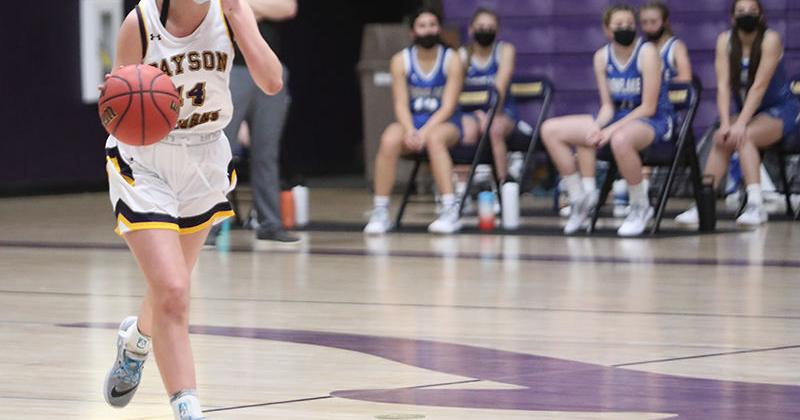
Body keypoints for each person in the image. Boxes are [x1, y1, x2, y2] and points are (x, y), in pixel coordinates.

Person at [101, 0, 283, 418]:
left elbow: (272, 82)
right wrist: (119, 99)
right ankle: (188, 409)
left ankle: (136, 341)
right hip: (146, 161)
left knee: (171, 289)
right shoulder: (141, 22)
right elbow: (117, 109)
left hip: (205, 157)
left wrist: (241, 17)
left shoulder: (232, 13)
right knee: (174, 290)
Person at [540, 3, 674, 236]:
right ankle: (579, 198)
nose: (626, 29)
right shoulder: (601, 56)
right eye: (619, 25)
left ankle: (640, 206)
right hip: (619, 117)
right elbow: (607, 106)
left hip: (654, 120)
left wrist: (610, 131)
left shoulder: (647, 52)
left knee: (620, 139)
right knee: (550, 129)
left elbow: (648, 107)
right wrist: (598, 126)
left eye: (630, 24)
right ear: (607, 30)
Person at [675, 0, 800, 227]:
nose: (746, 15)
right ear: (732, 17)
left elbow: (759, 87)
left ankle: (756, 204)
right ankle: (704, 202)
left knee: (745, 136)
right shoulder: (725, 41)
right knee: (721, 137)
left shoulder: (770, 39)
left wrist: (740, 124)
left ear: (761, 16)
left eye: (752, 11)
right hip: (749, 112)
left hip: (781, 109)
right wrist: (725, 123)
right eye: (741, 11)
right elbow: (723, 86)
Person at [363, 6, 465, 234]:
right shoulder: (400, 60)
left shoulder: (452, 59)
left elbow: (448, 106)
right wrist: (410, 130)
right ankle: (381, 211)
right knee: (389, 138)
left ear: (439, 28)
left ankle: (450, 210)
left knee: (435, 139)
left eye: (432, 25)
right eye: (422, 25)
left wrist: (425, 132)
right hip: (413, 123)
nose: (428, 30)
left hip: (445, 124)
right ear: (412, 32)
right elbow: (400, 103)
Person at [207, 0, 298, 245]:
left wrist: (242, 7)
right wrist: (250, 10)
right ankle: (208, 224)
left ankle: (269, 223)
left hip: (268, 70)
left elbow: (287, 8)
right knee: (218, 150)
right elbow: (214, 10)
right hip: (228, 70)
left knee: (266, 152)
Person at [609, 0, 692, 217]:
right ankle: (634, 194)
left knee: (628, 136)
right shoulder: (637, 49)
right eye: (644, 22)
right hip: (639, 112)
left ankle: (638, 199)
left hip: (664, 110)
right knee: (624, 134)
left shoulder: (674, 46)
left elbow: (686, 79)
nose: (648, 26)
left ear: (664, 22)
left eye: (653, 21)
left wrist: (658, 82)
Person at [459, 7, 518, 183]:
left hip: (501, 111)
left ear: (497, 30)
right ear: (471, 29)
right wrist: (478, 114)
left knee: (493, 130)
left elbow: (499, 88)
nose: (485, 30)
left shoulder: (505, 50)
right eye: (481, 26)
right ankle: (462, 190)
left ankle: (502, 184)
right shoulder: (462, 55)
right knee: (467, 131)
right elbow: (457, 93)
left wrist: (490, 114)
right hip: (470, 112)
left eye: (490, 27)